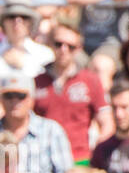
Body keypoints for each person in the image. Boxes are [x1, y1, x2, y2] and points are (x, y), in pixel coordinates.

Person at [33, 22, 112, 165]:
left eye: (70, 46)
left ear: (78, 49)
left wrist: (97, 154)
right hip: (44, 160)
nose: (64, 50)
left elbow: (107, 122)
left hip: (80, 159)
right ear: (50, 44)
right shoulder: (36, 82)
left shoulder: (90, 80)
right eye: (58, 44)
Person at [0, 0, 55, 81]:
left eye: (24, 17)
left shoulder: (45, 54)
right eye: (12, 16)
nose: (17, 22)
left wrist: (23, 65)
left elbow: (46, 86)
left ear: (30, 22)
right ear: (3, 21)